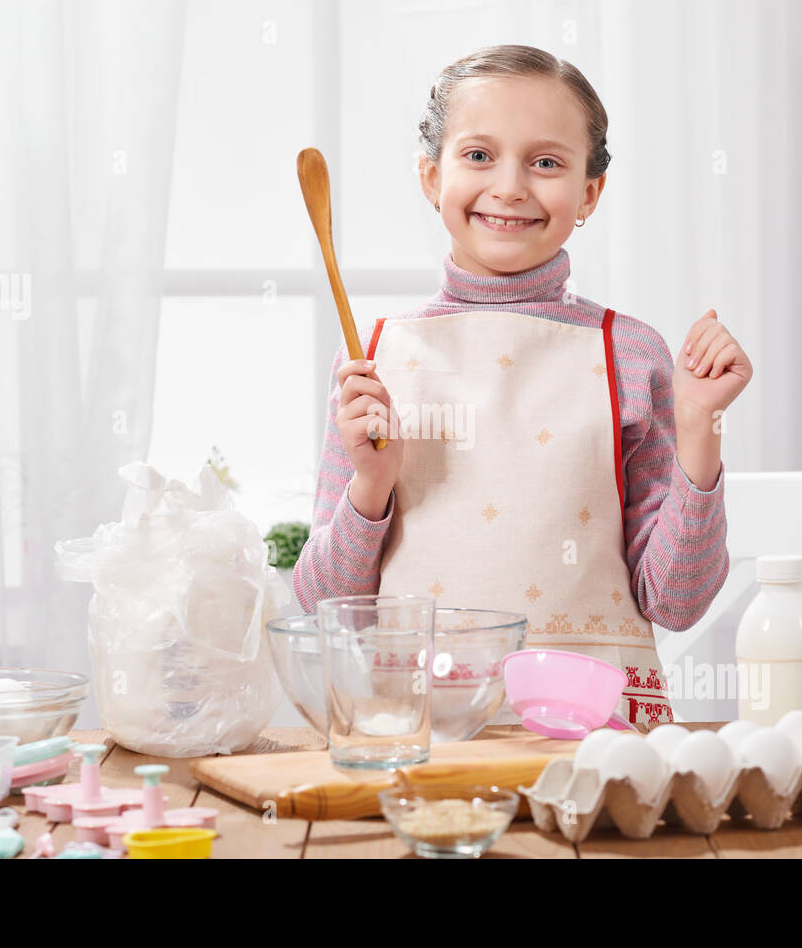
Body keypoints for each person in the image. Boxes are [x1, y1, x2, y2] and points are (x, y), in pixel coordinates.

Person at [293, 44, 752, 728]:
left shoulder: (632, 352)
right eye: (478, 155)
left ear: (589, 192)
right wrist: (371, 486)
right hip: (422, 741)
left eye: (545, 162)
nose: (510, 186)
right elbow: (322, 599)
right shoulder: (375, 356)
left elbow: (676, 601)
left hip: (599, 748)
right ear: (430, 175)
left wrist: (699, 433)